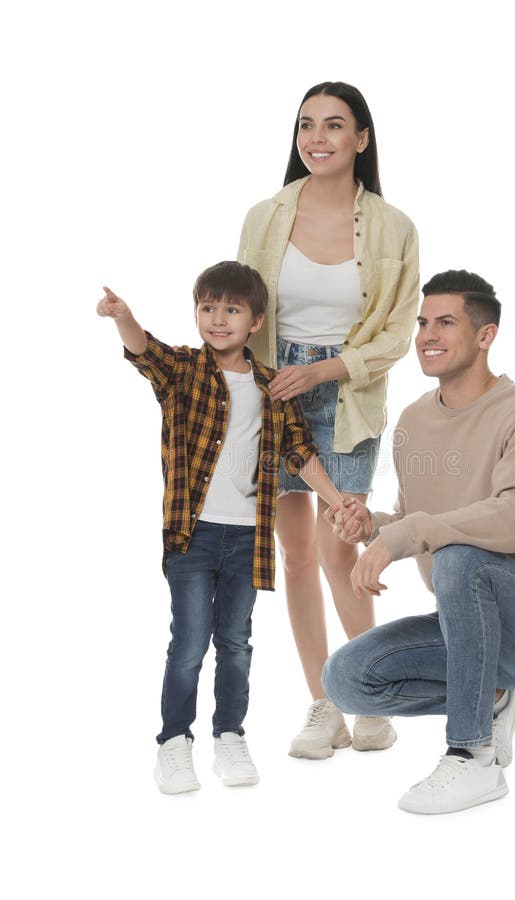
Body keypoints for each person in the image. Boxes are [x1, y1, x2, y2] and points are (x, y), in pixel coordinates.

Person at [323, 269, 515, 814]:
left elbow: (510, 523)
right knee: (347, 678)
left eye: (445, 322)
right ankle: (494, 696)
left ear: (485, 335)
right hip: (469, 620)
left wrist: (404, 533)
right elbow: (415, 515)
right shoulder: (412, 421)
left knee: (460, 557)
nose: (428, 334)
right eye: (424, 322)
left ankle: (473, 756)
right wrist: (371, 524)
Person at [97, 261, 342, 794]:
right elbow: (146, 351)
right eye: (208, 307)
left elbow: (299, 451)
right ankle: (174, 743)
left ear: (255, 321)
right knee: (189, 642)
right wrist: (125, 316)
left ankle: (229, 735)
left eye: (231, 309)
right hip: (193, 534)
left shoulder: (274, 386)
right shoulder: (184, 371)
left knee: (235, 642)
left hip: (247, 537)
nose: (218, 318)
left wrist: (337, 500)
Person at [237, 81, 419, 759]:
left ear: (361, 139)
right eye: (306, 125)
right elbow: (243, 311)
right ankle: (323, 703)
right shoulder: (264, 216)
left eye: (334, 126)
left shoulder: (395, 228)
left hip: (346, 396)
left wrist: (324, 370)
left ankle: (368, 690)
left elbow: (396, 333)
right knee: (297, 550)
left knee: (342, 545)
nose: (317, 138)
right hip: (273, 393)